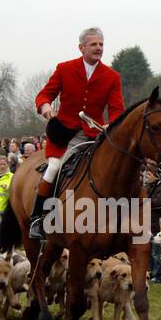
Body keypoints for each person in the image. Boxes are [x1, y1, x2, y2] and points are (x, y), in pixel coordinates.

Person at [29, 27, 125, 239]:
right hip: (65, 135)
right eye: (93, 44)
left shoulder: (112, 76)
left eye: (101, 44)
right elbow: (44, 94)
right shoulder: (64, 69)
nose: (98, 48)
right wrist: (45, 106)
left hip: (95, 136)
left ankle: (121, 219)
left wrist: (112, 124)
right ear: (81, 47)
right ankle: (38, 218)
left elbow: (117, 109)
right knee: (54, 167)